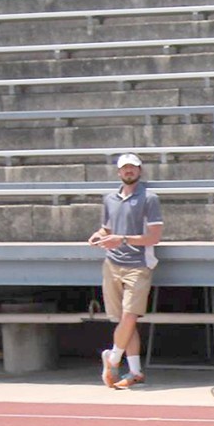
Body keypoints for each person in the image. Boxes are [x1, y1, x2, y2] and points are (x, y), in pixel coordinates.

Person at [86, 152, 162, 390]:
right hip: (112, 263)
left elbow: (154, 236)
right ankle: (136, 371)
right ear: (119, 172)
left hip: (138, 264)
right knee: (124, 321)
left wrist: (123, 239)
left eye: (133, 167)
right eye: (125, 168)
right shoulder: (109, 199)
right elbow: (107, 229)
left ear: (140, 170)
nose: (129, 171)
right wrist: (100, 236)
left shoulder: (149, 199)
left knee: (130, 315)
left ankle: (114, 358)